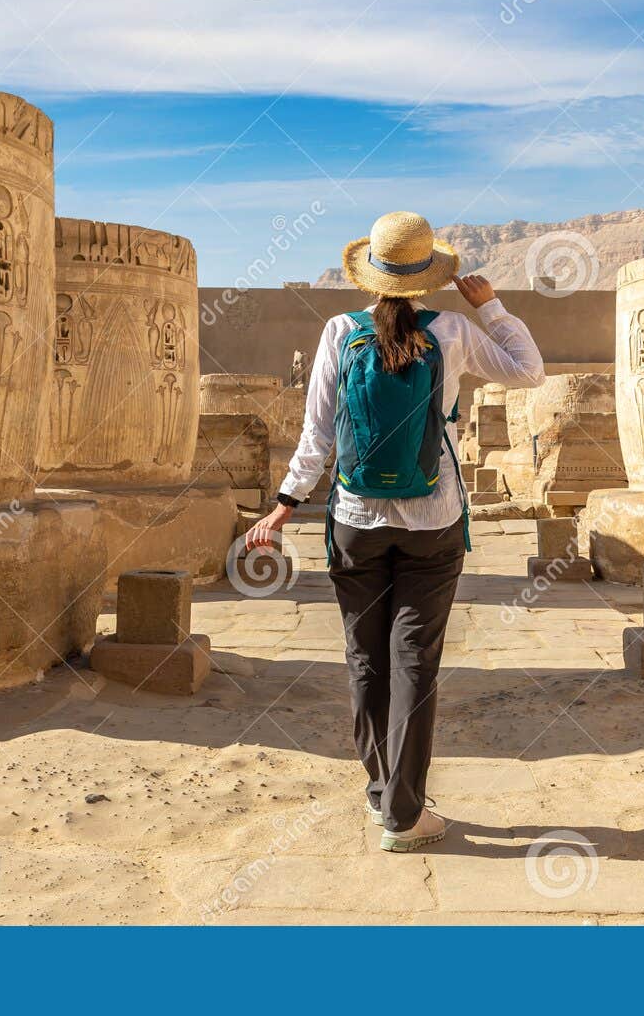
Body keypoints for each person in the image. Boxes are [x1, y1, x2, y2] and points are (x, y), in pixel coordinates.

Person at [245, 211, 545, 852]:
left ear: (370, 276)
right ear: (428, 278)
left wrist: (283, 506)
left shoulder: (339, 331)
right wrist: (491, 307)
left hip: (355, 521)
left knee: (365, 658)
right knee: (415, 660)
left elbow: (318, 434)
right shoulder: (454, 331)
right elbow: (529, 371)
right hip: (433, 521)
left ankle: (381, 788)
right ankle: (404, 815)